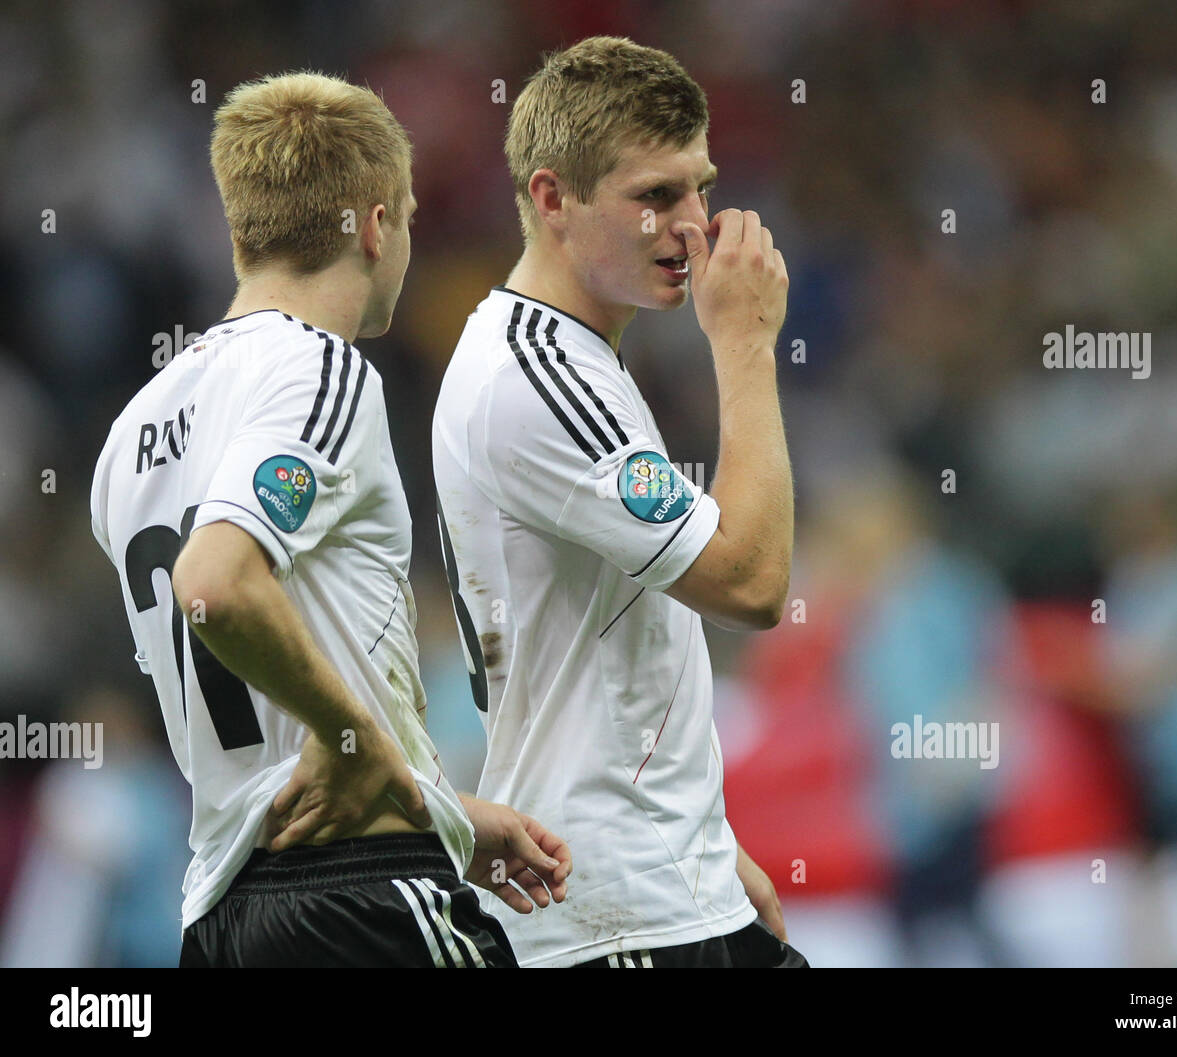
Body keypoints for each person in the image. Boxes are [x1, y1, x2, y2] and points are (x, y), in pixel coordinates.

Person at [89, 71, 570, 968]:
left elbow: (263, 725)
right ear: (376, 226)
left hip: (224, 919)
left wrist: (444, 812)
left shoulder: (128, 438)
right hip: (362, 896)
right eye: (410, 218)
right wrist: (360, 745)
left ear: (242, 231)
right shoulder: (322, 370)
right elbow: (215, 584)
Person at [432, 37, 806, 967]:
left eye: (700, 188)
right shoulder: (537, 378)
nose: (695, 227)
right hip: (621, 914)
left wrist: (707, 841)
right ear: (553, 198)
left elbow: (613, 647)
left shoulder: (570, 357)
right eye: (655, 196)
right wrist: (746, 346)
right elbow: (752, 583)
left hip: (656, 886)